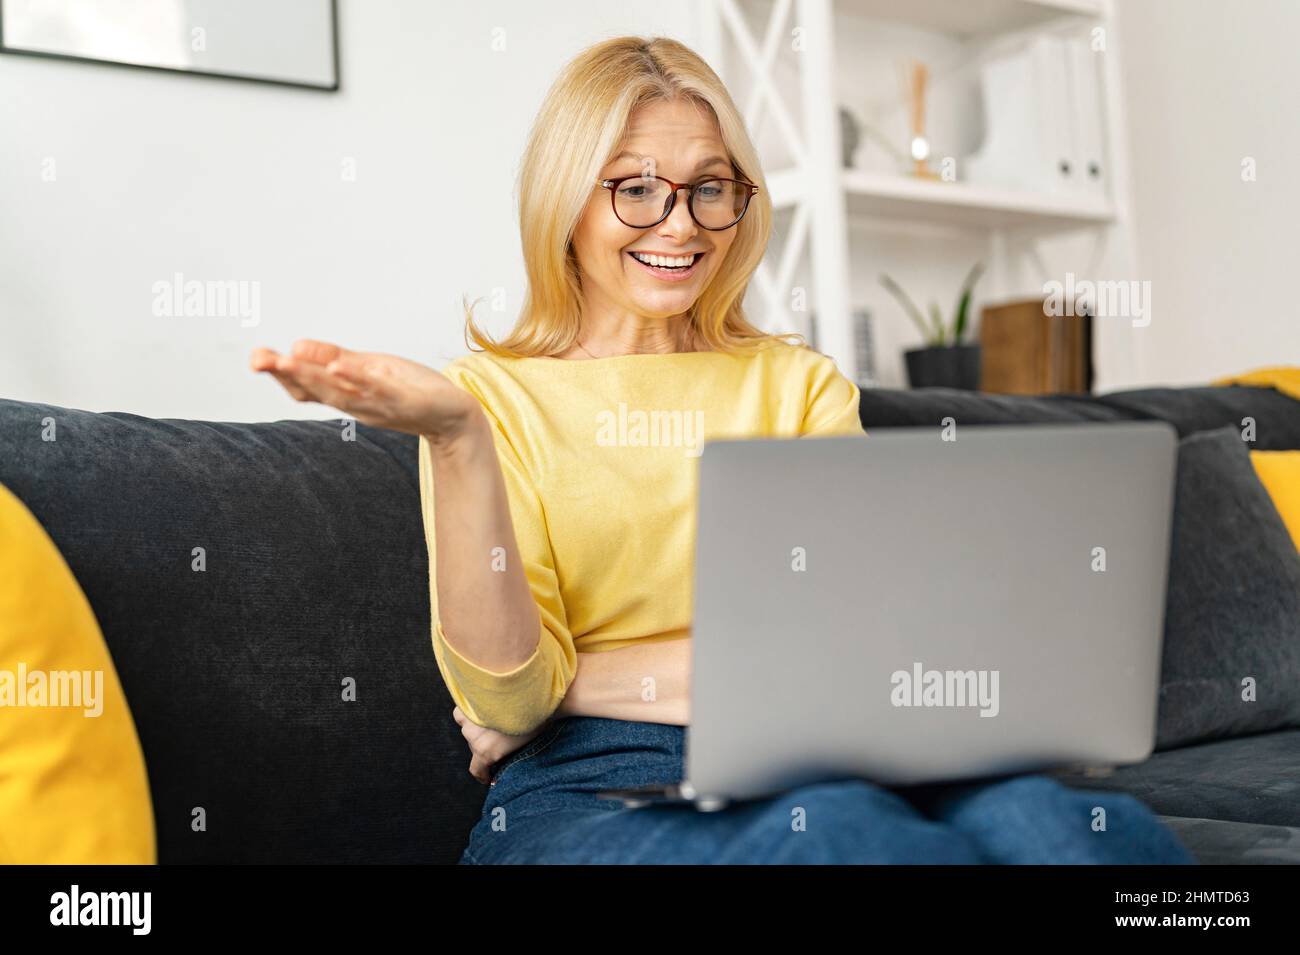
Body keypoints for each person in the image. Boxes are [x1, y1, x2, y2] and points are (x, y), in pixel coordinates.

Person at [251, 36, 1195, 865]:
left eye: (710, 188)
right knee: (844, 840)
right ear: (565, 200)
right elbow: (506, 696)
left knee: (1066, 828)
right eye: (635, 188)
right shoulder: (487, 401)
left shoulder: (799, 385)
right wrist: (456, 438)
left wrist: (573, 681)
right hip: (596, 779)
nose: (681, 223)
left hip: (828, 755)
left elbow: (855, 651)